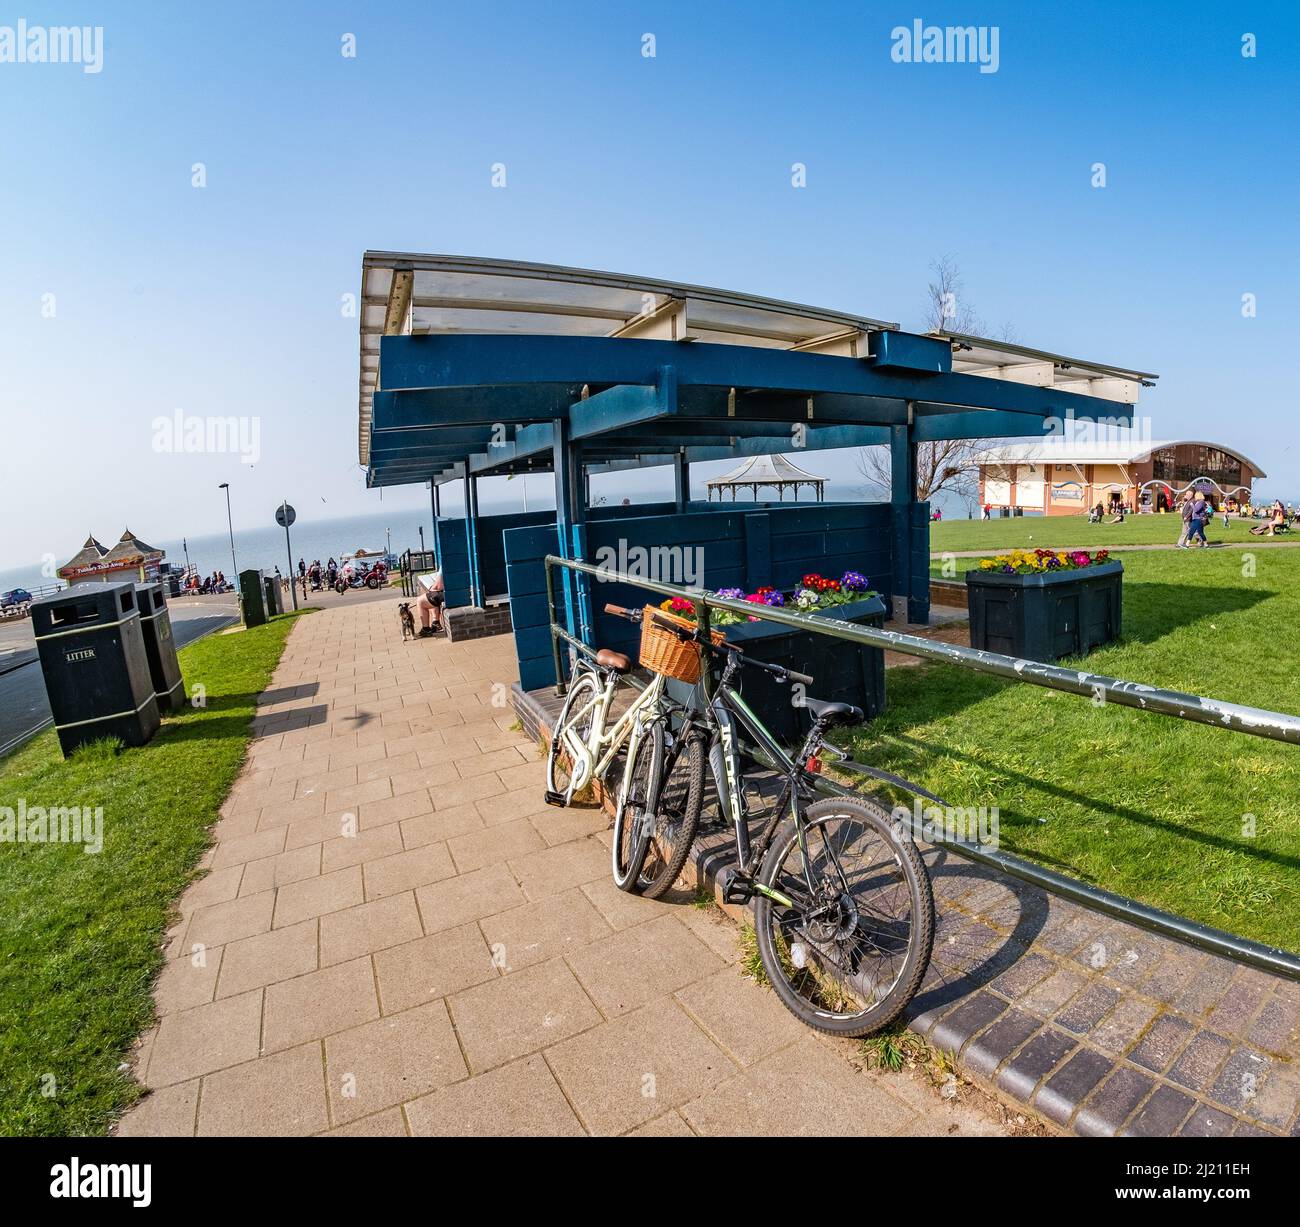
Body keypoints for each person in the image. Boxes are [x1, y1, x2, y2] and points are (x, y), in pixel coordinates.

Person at [414, 567, 445, 637]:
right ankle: (435, 623)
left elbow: (439, 587)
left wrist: (432, 588)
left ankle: (426, 629)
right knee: (429, 596)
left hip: (448, 593)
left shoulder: (445, 561)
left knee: (421, 601)